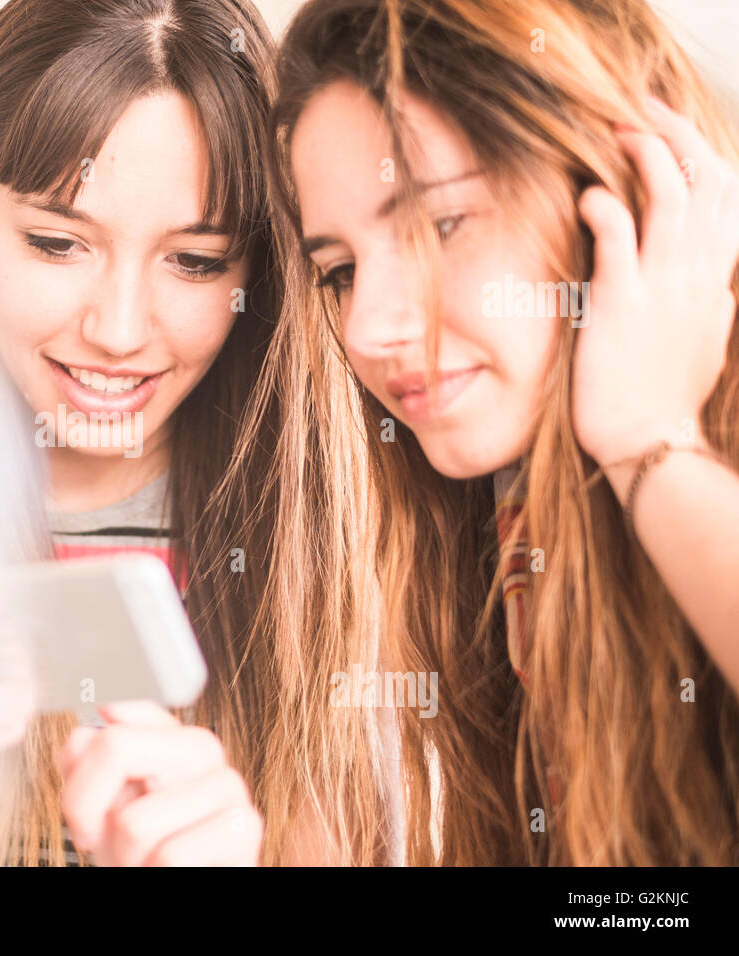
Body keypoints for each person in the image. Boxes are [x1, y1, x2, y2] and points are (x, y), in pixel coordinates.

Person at [0, 0, 387, 866]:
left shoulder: (344, 564)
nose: (117, 331)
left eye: (194, 261)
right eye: (57, 243)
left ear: (258, 269)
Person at [264, 0, 739, 863]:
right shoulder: (495, 535)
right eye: (338, 271)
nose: (368, 328)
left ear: (631, 188)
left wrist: (648, 440)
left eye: (440, 223)